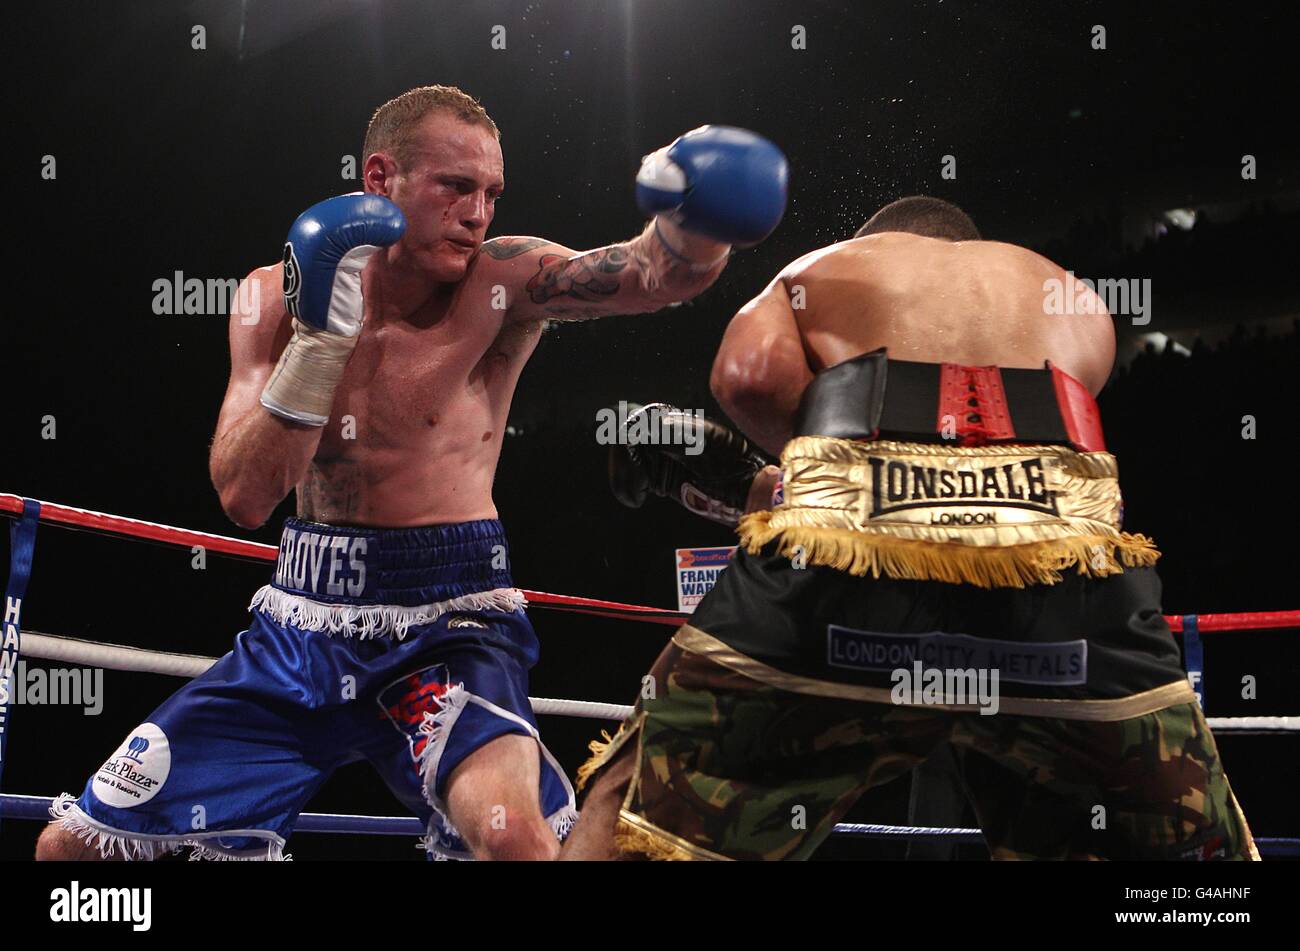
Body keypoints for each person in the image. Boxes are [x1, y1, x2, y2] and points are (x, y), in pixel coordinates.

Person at [35, 85, 786, 861]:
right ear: (379, 179)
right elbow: (246, 497)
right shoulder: (272, 298)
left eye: (491, 192)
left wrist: (691, 229)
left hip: (451, 626)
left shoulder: (501, 281)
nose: (478, 213)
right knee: (68, 852)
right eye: (455, 187)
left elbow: (642, 275)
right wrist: (321, 342)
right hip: (297, 629)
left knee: (516, 843)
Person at [564, 195, 1257, 861]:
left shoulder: (828, 267)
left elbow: (746, 379)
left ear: (879, 238)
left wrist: (798, 483)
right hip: (1065, 586)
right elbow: (1037, 453)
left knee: (629, 803)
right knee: (1172, 851)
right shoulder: (1065, 292)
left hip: (846, 571)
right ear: (970, 244)